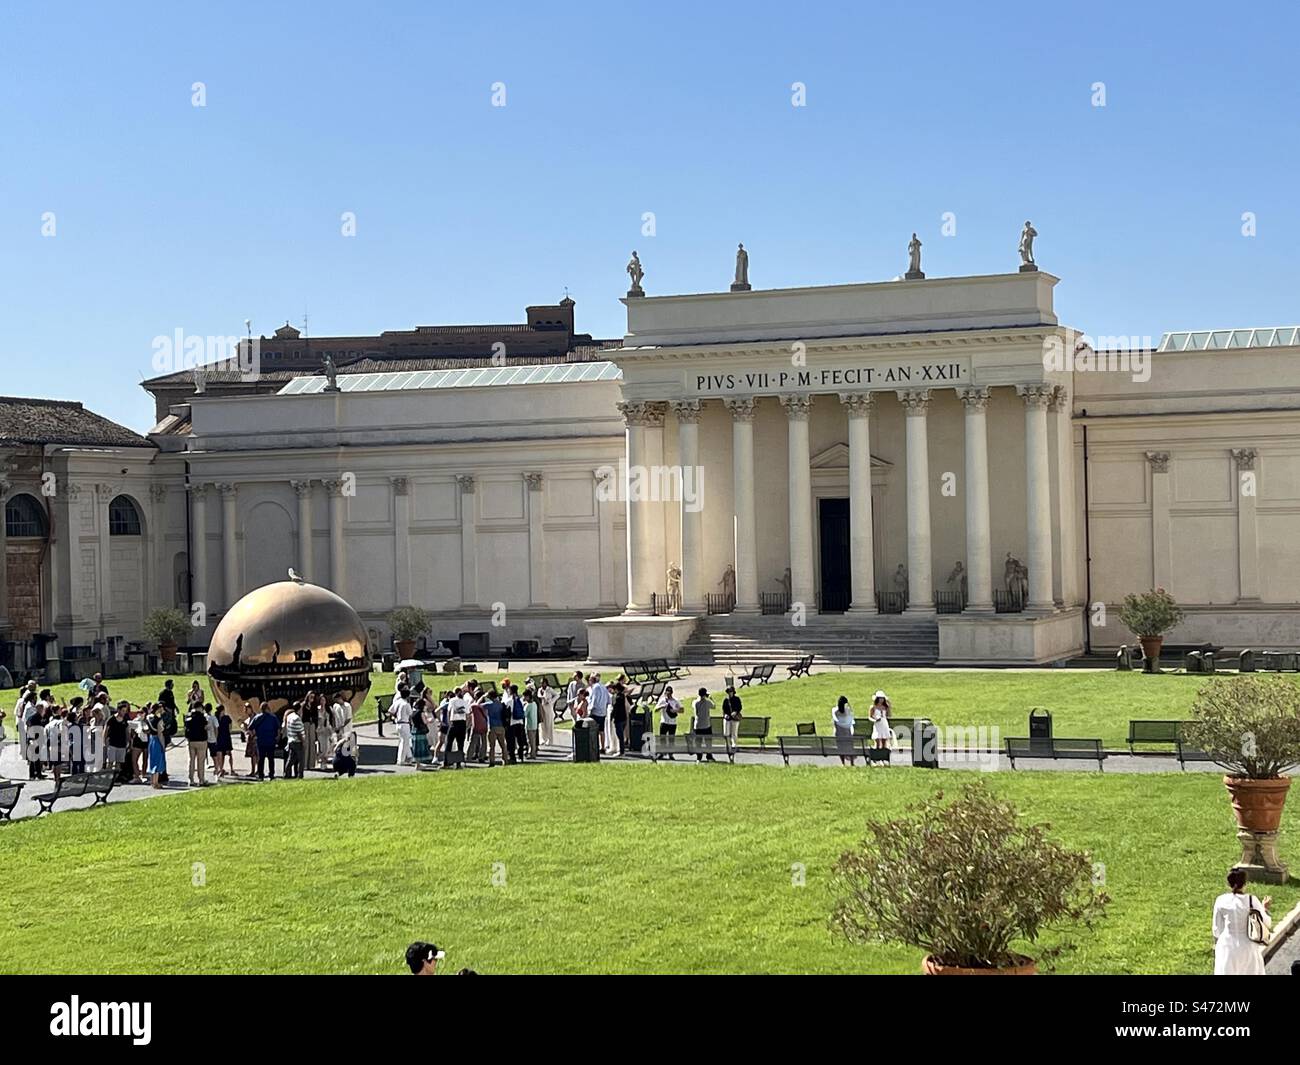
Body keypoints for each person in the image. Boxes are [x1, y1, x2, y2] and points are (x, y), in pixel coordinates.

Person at [1213, 867, 1271, 975]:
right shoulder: (1252, 900)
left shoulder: (1221, 900)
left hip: (1227, 947)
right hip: (1248, 946)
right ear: (1245, 883)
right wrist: (1264, 909)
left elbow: (1217, 930)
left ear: (1228, 883)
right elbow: (1266, 922)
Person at [252, 701, 282, 780]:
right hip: (271, 741)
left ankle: (261, 774)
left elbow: (250, 727)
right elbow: (278, 728)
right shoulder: (273, 717)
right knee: (271, 759)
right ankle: (271, 774)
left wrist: (254, 735)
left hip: (261, 741)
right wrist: (277, 737)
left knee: (261, 759)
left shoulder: (257, 717)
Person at [183, 702, 209, 786]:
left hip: (191, 741)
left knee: (191, 760)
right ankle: (201, 779)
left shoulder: (188, 717)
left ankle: (191, 779)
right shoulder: (203, 717)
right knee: (201, 761)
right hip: (201, 740)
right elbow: (206, 727)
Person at [105, 702, 131, 783]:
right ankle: (107, 779)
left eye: (125, 711)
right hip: (112, 743)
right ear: (118, 710)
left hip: (122, 744)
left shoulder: (125, 720)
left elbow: (127, 732)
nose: (124, 712)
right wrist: (104, 742)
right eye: (123, 710)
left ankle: (115, 779)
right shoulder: (111, 719)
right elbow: (106, 730)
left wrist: (128, 742)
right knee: (110, 762)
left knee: (119, 763)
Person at [691, 686, 716, 763]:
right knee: (708, 742)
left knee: (698, 742)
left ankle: (699, 757)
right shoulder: (707, 702)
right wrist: (711, 698)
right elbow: (714, 706)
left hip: (698, 726)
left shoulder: (695, 702)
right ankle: (709, 756)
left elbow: (694, 705)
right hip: (706, 725)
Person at [485, 689, 509, 767]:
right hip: (501, 726)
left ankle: (492, 761)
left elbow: (477, 705)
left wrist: (483, 697)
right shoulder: (501, 704)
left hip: (493, 727)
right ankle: (505, 760)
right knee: (503, 745)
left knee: (492, 746)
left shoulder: (489, 704)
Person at [657, 686, 682, 759]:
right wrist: (662, 706)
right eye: (667, 693)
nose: (668, 695)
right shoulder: (662, 700)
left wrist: (675, 710)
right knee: (662, 739)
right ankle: (662, 753)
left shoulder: (675, 701)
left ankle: (671, 754)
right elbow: (656, 709)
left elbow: (682, 710)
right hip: (664, 722)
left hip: (672, 723)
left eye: (670, 693)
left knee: (671, 739)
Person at [146, 705, 167, 789]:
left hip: (151, 740)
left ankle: (152, 781)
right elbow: (160, 734)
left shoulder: (148, 718)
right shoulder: (159, 720)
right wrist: (163, 745)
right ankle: (156, 782)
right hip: (157, 740)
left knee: (152, 760)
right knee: (158, 762)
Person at [588, 674, 610, 754]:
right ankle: (603, 746)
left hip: (596, 711)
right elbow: (608, 699)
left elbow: (594, 699)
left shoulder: (595, 687)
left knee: (593, 730)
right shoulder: (603, 686)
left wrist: (590, 709)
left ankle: (594, 746)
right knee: (601, 730)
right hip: (603, 711)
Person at [392, 685, 414, 766]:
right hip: (405, 724)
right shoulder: (406, 704)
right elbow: (410, 713)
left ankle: (410, 756)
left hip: (398, 723)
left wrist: (396, 716)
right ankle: (400, 760)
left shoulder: (397, 702)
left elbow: (391, 710)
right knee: (404, 742)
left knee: (405, 740)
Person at [832, 695, 856, 767]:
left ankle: (843, 763)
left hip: (839, 732)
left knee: (840, 747)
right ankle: (852, 763)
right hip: (846, 731)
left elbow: (835, 720)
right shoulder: (846, 710)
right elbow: (850, 718)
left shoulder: (835, 710)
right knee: (849, 746)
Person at [284, 703, 305, 778]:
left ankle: (286, 773)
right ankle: (300, 775)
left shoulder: (289, 716)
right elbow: (298, 732)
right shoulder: (297, 718)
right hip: (297, 741)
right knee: (301, 760)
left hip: (291, 740)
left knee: (290, 759)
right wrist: (303, 741)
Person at [467, 688, 488, 764]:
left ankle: (469, 756)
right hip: (484, 724)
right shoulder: (485, 705)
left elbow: (469, 711)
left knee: (472, 742)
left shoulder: (474, 706)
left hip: (476, 725)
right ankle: (482, 756)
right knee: (484, 742)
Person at [213, 703, 234, 777]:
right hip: (226, 737)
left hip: (219, 737)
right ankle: (231, 769)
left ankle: (221, 769)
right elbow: (230, 728)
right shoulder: (227, 718)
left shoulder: (216, 718)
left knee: (220, 754)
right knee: (229, 754)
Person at [411, 697, 432, 765]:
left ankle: (417, 762)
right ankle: (420, 762)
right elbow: (425, 722)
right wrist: (430, 720)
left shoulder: (413, 712)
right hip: (420, 731)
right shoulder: (421, 713)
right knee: (421, 746)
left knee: (416, 747)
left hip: (414, 730)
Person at [609, 682, 628, 757]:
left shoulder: (616, 697)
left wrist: (611, 717)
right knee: (621, 735)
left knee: (619, 736)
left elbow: (615, 709)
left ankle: (621, 751)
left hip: (618, 719)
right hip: (623, 717)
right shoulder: (622, 696)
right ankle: (621, 750)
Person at [537, 680, 557, 747]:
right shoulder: (539, 690)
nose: (542, 684)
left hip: (548, 708)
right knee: (542, 724)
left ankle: (550, 740)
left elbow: (557, 695)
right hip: (541, 708)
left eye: (543, 683)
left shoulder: (549, 689)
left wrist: (550, 701)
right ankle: (543, 739)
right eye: (541, 683)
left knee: (549, 724)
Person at [524, 686, 540, 758]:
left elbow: (524, 714)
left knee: (530, 741)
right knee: (533, 740)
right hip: (534, 724)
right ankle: (532, 753)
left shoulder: (528, 706)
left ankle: (532, 754)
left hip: (529, 725)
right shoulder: (534, 704)